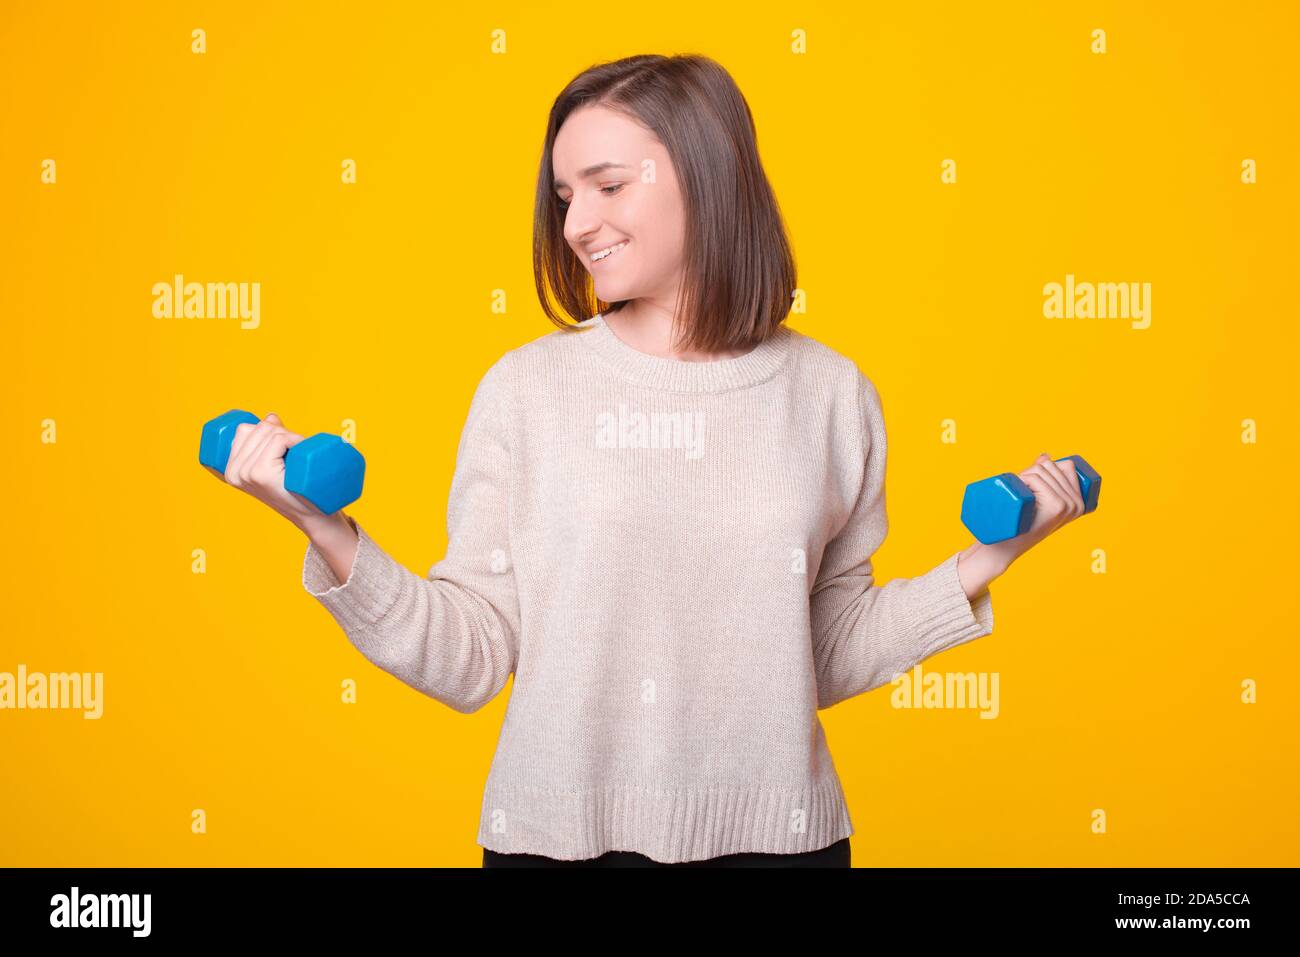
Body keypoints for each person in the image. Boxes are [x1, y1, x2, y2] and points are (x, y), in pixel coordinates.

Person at [213, 54, 1088, 868]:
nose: (576, 222)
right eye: (564, 194)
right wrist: (323, 528)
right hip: (557, 842)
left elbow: (813, 651)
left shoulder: (829, 393)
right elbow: (472, 653)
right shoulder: (527, 389)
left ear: (706, 180)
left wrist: (990, 559)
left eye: (607, 185)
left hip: (780, 843)